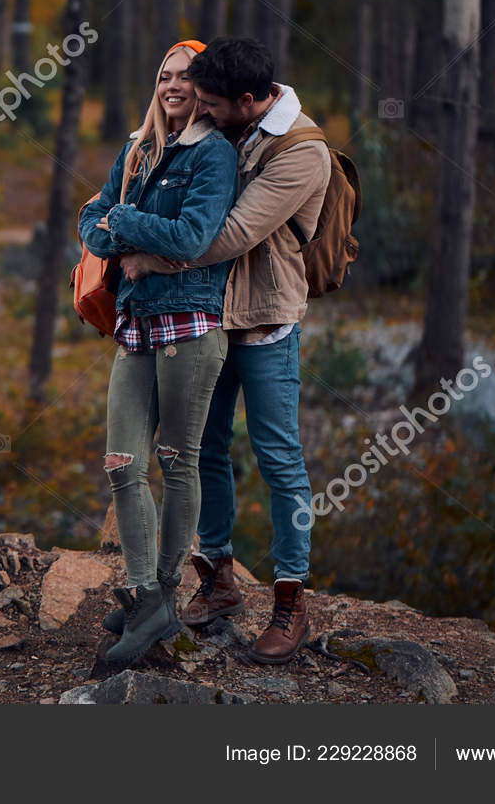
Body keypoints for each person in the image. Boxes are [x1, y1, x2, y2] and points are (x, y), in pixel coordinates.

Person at [125, 35, 331, 665]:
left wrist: (148, 256)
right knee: (204, 450)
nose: (202, 110)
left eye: (212, 104)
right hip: (208, 318)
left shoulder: (303, 151)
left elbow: (232, 232)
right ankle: (217, 578)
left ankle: (291, 600)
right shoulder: (226, 125)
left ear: (247, 99)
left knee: (279, 458)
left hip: (266, 321)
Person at [77, 41, 237, 667]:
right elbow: (91, 217)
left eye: (186, 78)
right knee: (122, 462)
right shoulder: (138, 149)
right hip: (135, 322)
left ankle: (161, 594)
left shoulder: (214, 155)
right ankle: (146, 594)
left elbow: (193, 237)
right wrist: (121, 232)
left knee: (176, 461)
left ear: (204, 88)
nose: (173, 86)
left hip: (190, 324)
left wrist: (121, 223)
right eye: (165, 75)